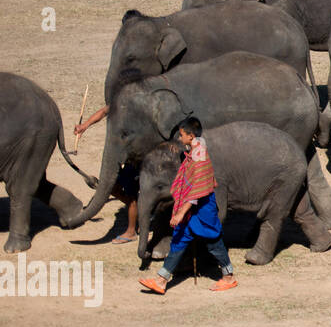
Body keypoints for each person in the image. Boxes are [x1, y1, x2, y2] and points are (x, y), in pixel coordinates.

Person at [139, 119, 238, 294]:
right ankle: (161, 280)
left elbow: (196, 193)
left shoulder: (199, 157)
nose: (179, 137)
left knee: (213, 241)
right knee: (178, 240)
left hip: (202, 208)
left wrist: (179, 214)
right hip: (191, 208)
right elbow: (188, 149)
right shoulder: (195, 147)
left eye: (182, 134)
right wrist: (178, 147)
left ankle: (228, 276)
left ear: (191, 136)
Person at [73, 107, 139, 245]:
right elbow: (104, 111)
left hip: (136, 157)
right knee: (113, 189)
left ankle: (131, 231)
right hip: (121, 154)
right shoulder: (122, 99)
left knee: (132, 194)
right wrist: (84, 126)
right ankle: (139, 210)